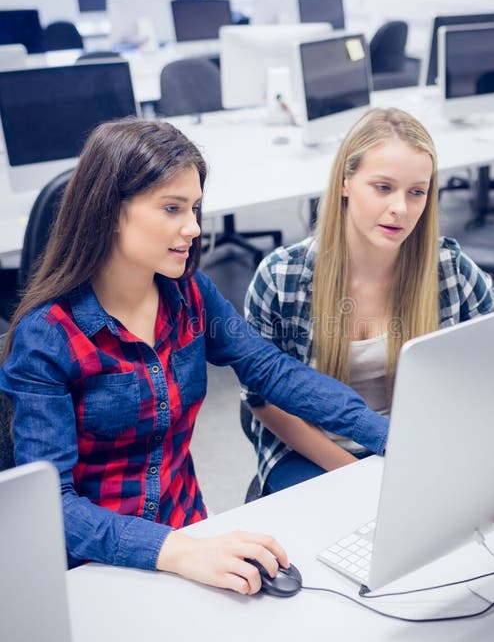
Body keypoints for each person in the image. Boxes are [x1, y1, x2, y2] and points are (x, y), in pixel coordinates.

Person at [0, 118, 388, 596]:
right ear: (109, 211)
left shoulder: (191, 295)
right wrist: (179, 552)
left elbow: (271, 371)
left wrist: (388, 437)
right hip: (96, 564)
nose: (193, 228)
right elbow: (54, 505)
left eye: (195, 208)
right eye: (172, 208)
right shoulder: (47, 338)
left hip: (190, 532)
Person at [243, 107, 494, 495]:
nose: (400, 208)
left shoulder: (447, 266)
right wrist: (359, 475)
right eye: (383, 187)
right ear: (345, 183)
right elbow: (261, 400)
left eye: (416, 192)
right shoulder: (282, 276)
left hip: (414, 442)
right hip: (311, 451)